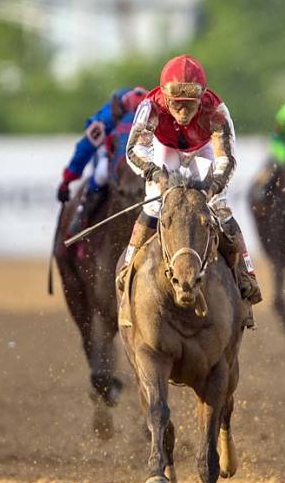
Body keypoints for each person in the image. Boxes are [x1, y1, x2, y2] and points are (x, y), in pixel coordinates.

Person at [118, 55, 261, 326]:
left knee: (219, 206)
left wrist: (213, 186)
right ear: (165, 97)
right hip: (166, 149)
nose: (183, 113)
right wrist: (153, 173)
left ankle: (246, 276)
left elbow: (226, 159)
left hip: (202, 149)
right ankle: (128, 270)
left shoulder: (217, 111)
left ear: (202, 98)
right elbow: (135, 149)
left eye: (190, 105)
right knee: (153, 203)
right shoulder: (151, 106)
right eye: (177, 105)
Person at [56, 86, 148, 236]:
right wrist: (68, 179)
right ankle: (82, 217)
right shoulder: (107, 118)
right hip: (113, 156)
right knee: (100, 174)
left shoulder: (155, 112)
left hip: (144, 158)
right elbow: (85, 148)